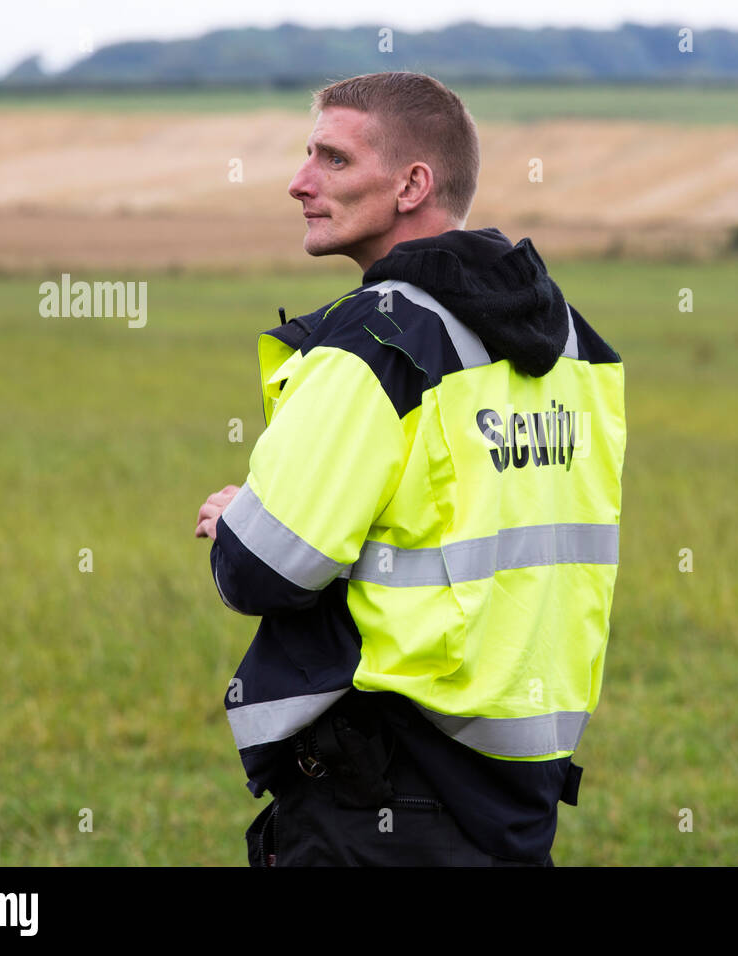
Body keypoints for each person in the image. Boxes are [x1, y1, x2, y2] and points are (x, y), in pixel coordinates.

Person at [194, 71, 627, 866]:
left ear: (412, 184)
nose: (299, 183)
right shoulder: (576, 344)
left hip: (383, 788)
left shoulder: (379, 343)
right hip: (517, 791)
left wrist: (236, 522)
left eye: (332, 159)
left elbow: (264, 570)